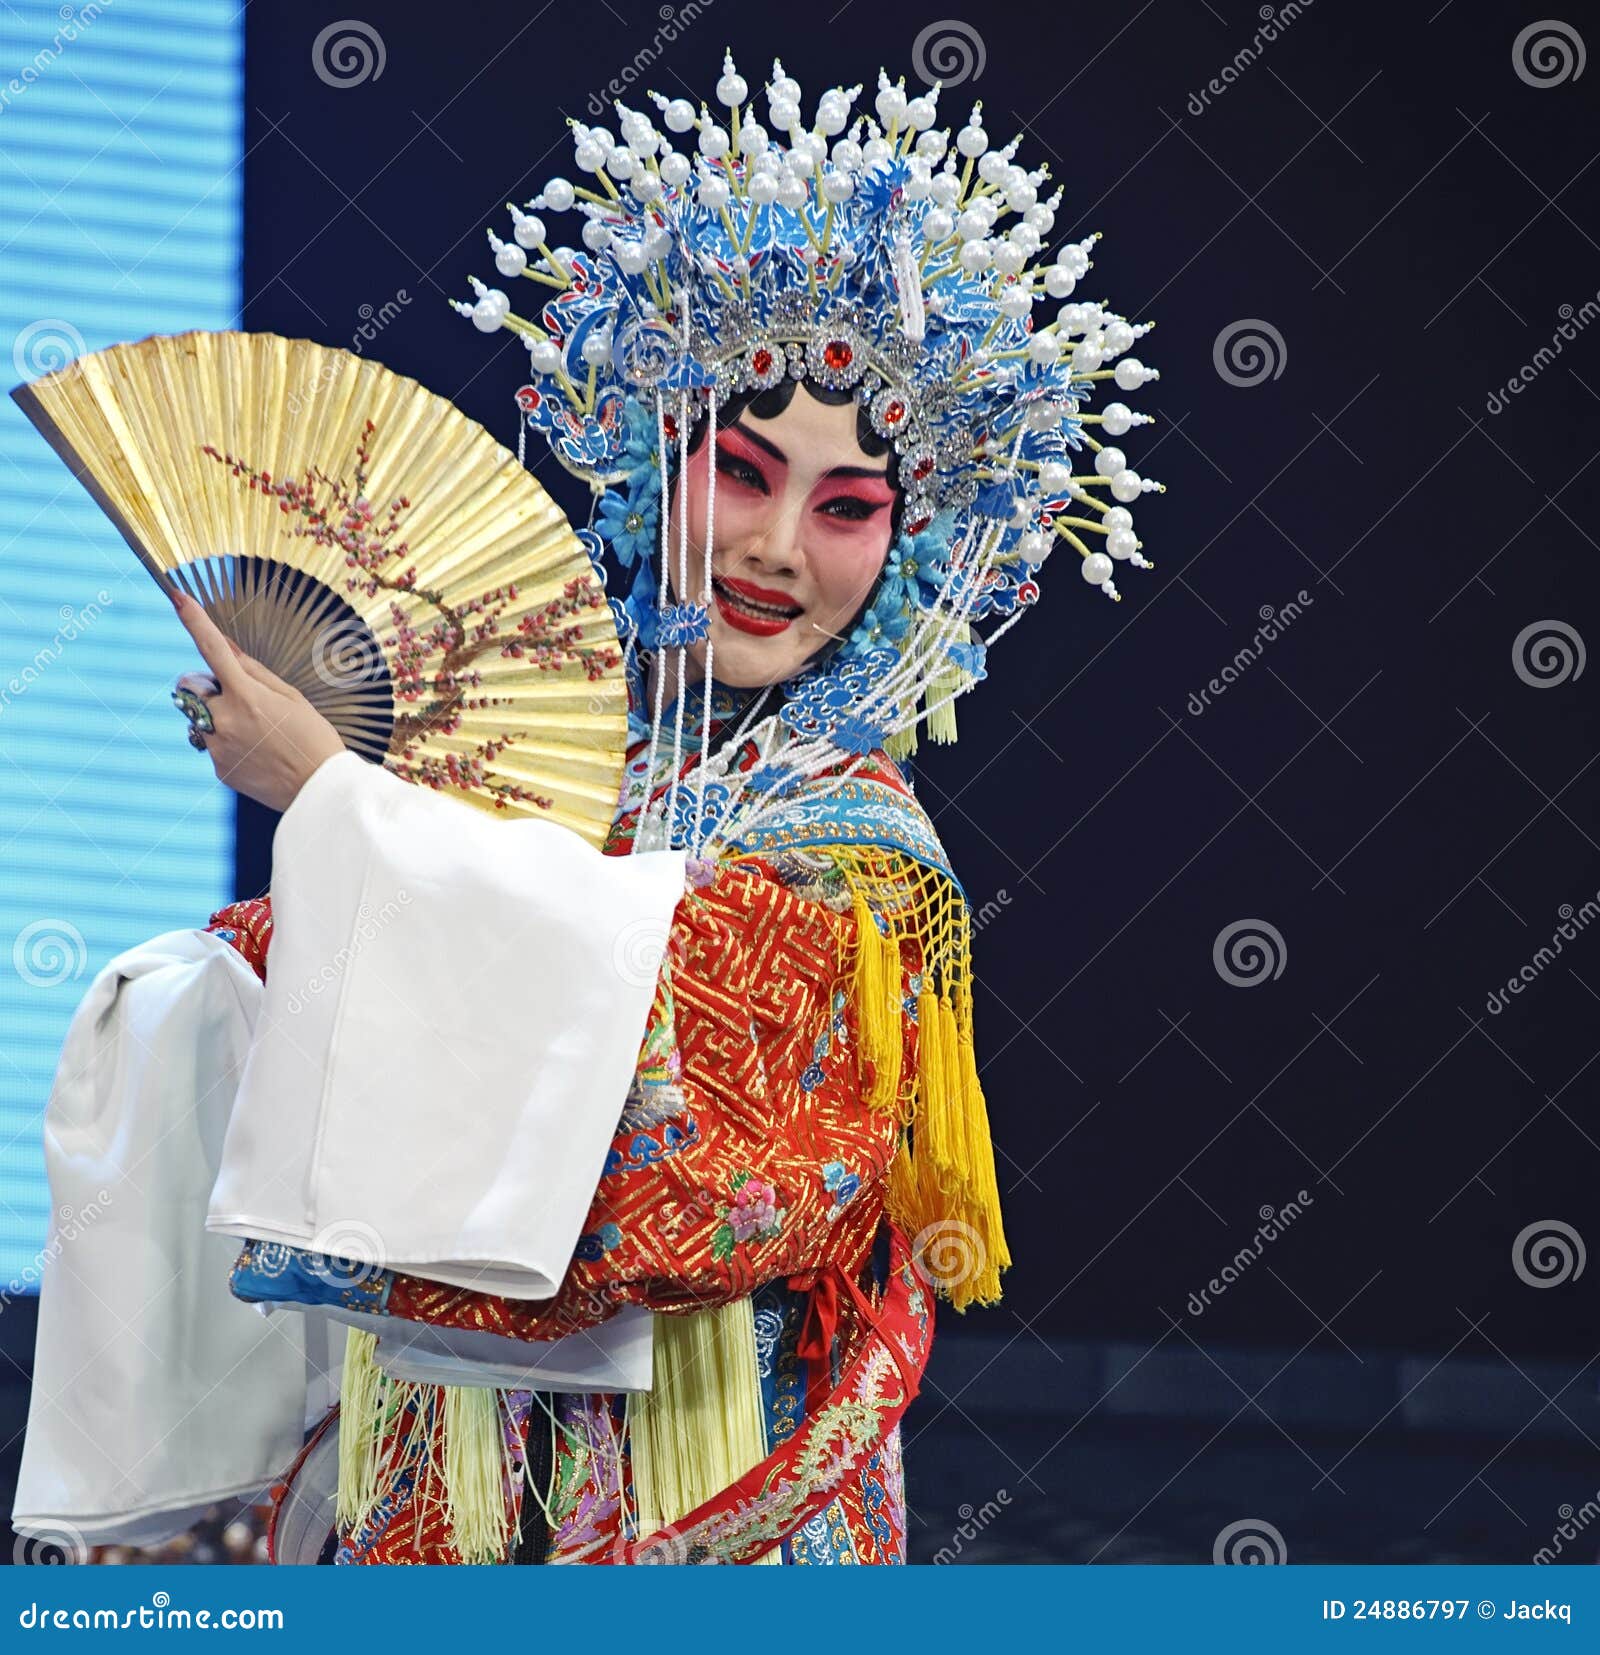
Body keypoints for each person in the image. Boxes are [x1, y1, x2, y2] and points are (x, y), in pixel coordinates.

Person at [23, 50, 1164, 1567]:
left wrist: (336, 800)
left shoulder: (856, 850)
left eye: (845, 507)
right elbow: (372, 1006)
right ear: (654, 462)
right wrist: (241, 956)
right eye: (740, 471)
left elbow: (691, 1175)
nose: (771, 546)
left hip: (720, 1506)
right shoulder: (532, 770)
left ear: (913, 544)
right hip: (437, 1486)